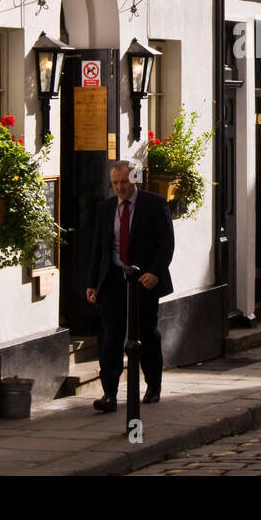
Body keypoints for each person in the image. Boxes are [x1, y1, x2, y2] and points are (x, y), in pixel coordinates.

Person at [86, 161, 174, 411]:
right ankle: (109, 394)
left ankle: (153, 386)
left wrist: (155, 273)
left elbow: (166, 243)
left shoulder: (154, 205)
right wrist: (92, 282)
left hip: (143, 280)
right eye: (115, 183)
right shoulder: (105, 208)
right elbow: (98, 249)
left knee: (146, 333)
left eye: (124, 182)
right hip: (114, 278)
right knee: (112, 336)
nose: (120, 188)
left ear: (134, 180)